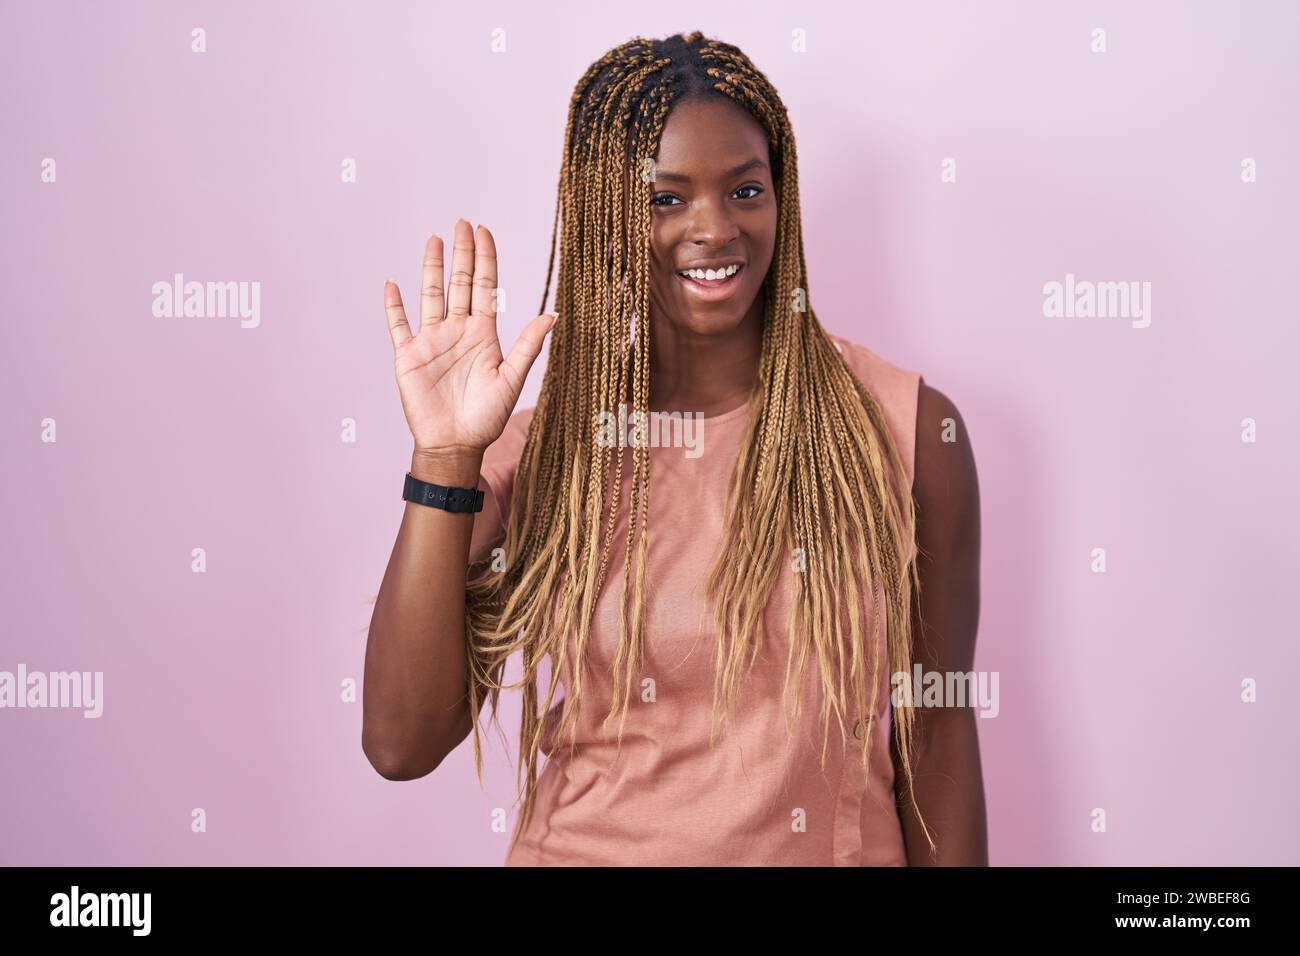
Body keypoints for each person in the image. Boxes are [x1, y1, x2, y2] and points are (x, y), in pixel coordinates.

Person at [363, 31, 987, 866]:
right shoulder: (547, 453)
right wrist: (443, 462)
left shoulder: (910, 433)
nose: (714, 228)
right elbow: (401, 744)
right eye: (666, 199)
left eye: (745, 189)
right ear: (605, 217)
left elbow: (936, 729)